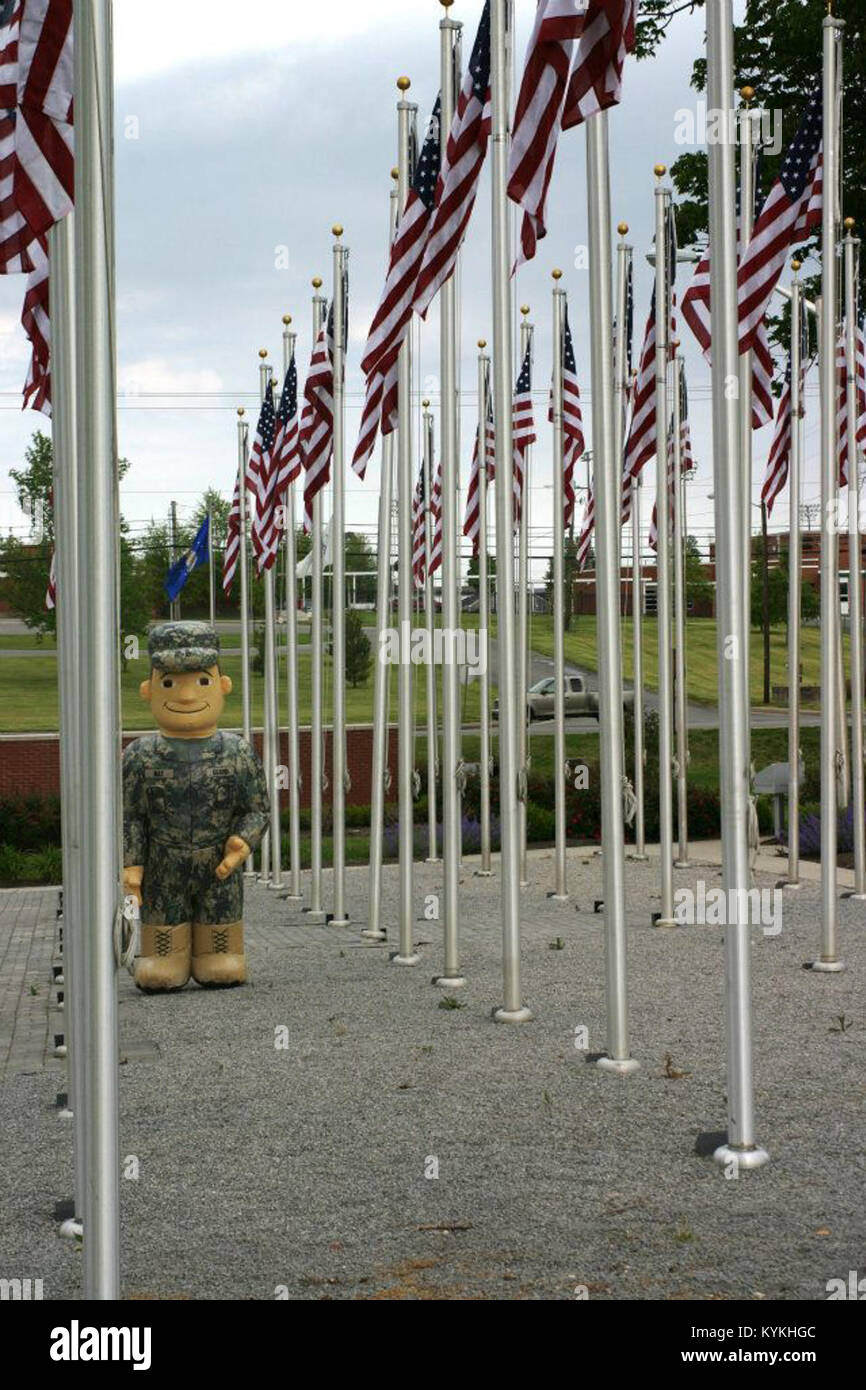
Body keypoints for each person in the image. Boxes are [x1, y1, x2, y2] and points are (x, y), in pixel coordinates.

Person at [122, 621, 269, 992]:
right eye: (170, 683)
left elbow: (256, 808)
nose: (187, 696)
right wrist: (131, 866)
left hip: (218, 866)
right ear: (148, 690)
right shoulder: (139, 757)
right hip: (162, 868)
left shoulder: (237, 753)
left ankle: (218, 952)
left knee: (221, 947)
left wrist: (242, 842)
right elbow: (130, 817)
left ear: (223, 685)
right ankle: (163, 955)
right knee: (162, 959)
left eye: (201, 682)